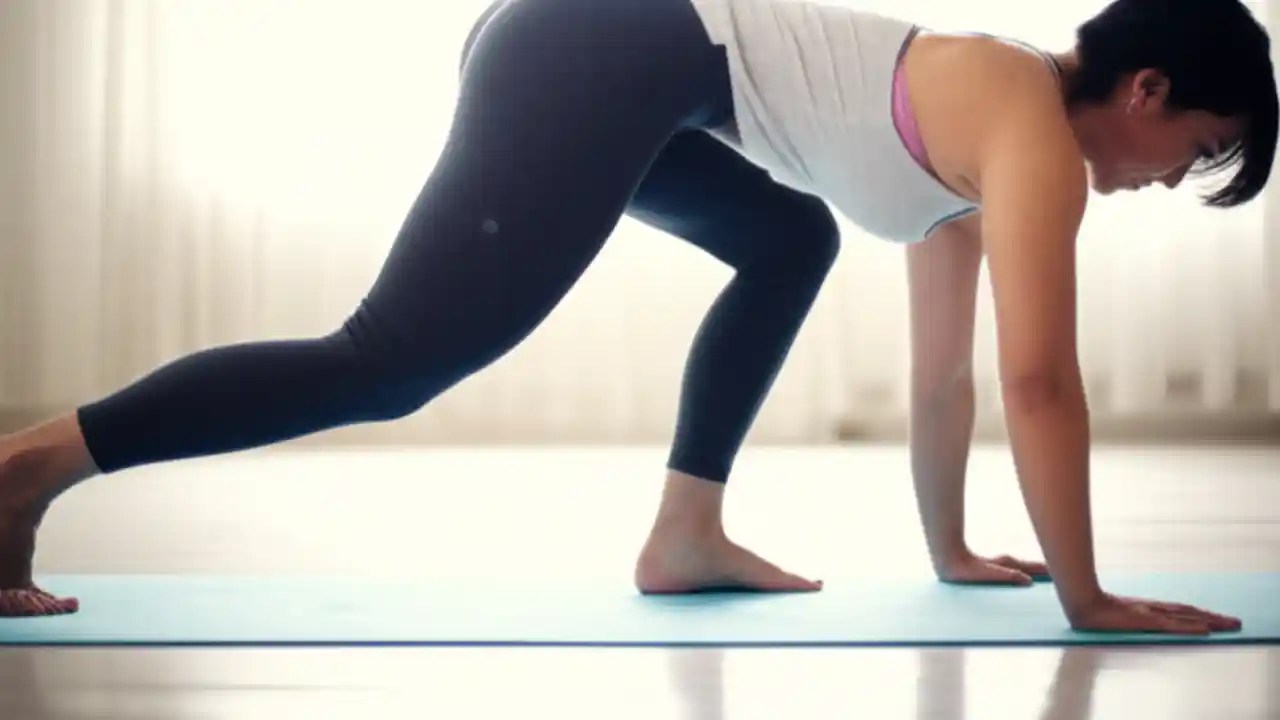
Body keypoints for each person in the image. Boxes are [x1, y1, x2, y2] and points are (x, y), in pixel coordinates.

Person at [0, 0, 1271, 634]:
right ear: (1145, 85)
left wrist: (951, 553)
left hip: (629, 60)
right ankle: (26, 469)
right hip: (606, 49)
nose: (1167, 181)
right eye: (1191, 150)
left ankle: (685, 532)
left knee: (786, 238)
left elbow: (948, 383)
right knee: (388, 363)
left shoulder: (987, 154)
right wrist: (1089, 600)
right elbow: (1041, 381)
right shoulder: (1032, 133)